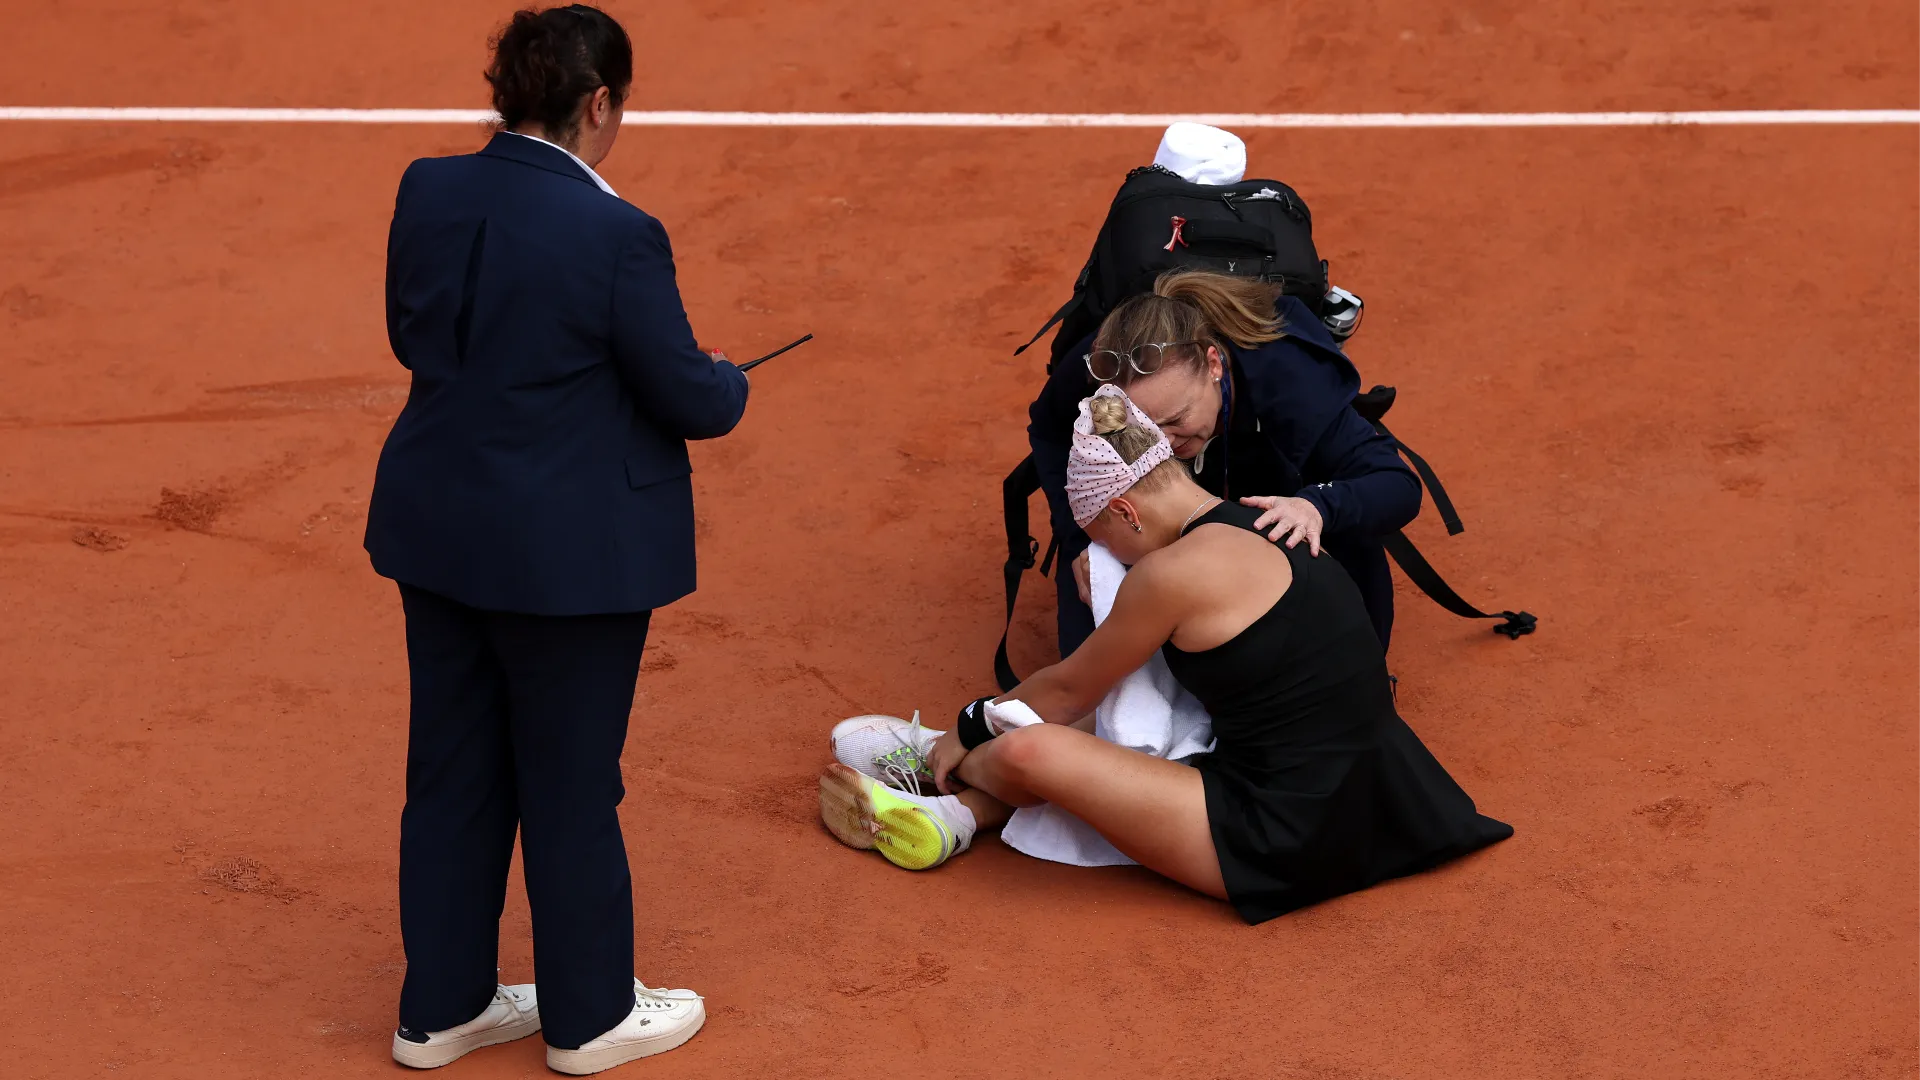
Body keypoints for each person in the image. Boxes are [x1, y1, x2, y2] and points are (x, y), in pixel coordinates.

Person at [365, 5, 745, 1072]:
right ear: (597, 102)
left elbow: (417, 330)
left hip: (439, 528)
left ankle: (440, 1011)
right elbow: (690, 395)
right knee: (572, 784)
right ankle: (587, 1019)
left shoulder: (427, 187)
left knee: (451, 770)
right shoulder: (618, 233)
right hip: (568, 561)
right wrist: (729, 379)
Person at [819, 386, 1510, 923]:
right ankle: (956, 814)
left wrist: (969, 723)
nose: (1103, 558)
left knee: (1034, 749)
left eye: (1099, 537)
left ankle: (940, 759)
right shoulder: (1257, 517)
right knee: (1111, 711)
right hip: (1385, 798)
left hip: (1278, 837)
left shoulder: (1170, 574)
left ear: (1124, 512)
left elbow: (1063, 692)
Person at [1028, 270, 1421, 656]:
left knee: (1337, 523)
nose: (1161, 444)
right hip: (1170, 513)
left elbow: (1395, 482)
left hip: (1273, 490)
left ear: (1214, 365)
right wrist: (1082, 536)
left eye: (1176, 419)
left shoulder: (1290, 384)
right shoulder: (1104, 386)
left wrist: (1315, 507)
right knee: (1093, 571)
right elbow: (1049, 429)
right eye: (1144, 426)